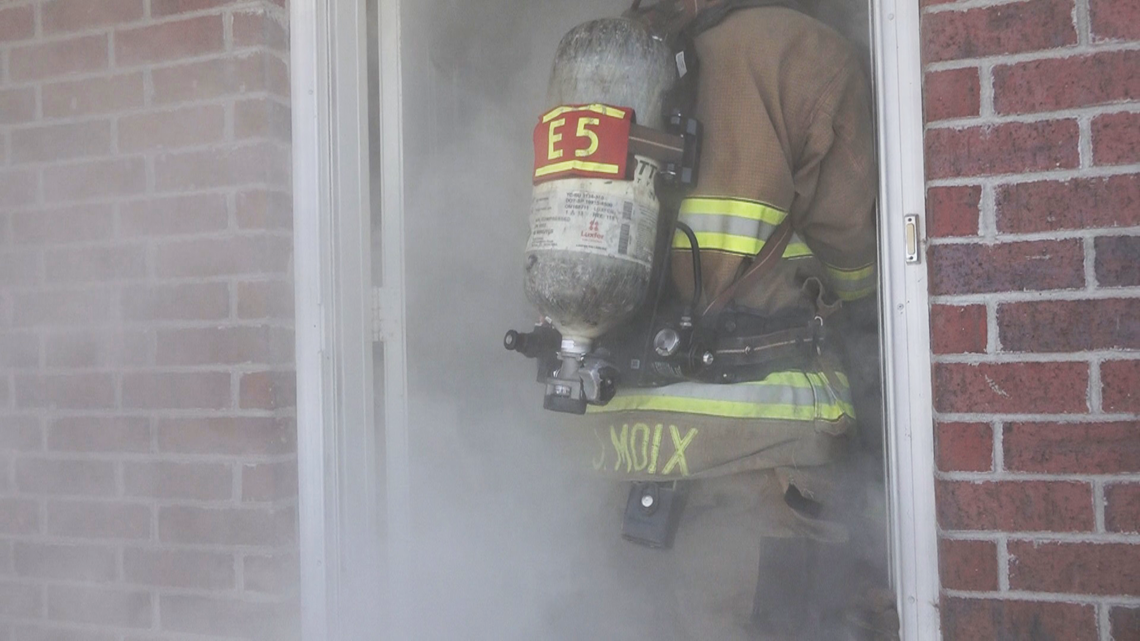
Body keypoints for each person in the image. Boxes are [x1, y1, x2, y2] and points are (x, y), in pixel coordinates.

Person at [563, 1, 898, 638]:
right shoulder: (802, 52)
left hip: (608, 461)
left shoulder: (604, 61)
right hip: (754, 463)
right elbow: (858, 271)